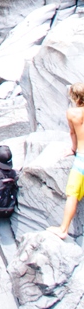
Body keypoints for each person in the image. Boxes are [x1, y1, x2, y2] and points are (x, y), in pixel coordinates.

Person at [47, 82, 84, 239]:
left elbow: (73, 133)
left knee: (72, 194)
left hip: (82, 156)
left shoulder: (72, 113)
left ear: (74, 97)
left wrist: (72, 149)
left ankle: (63, 229)